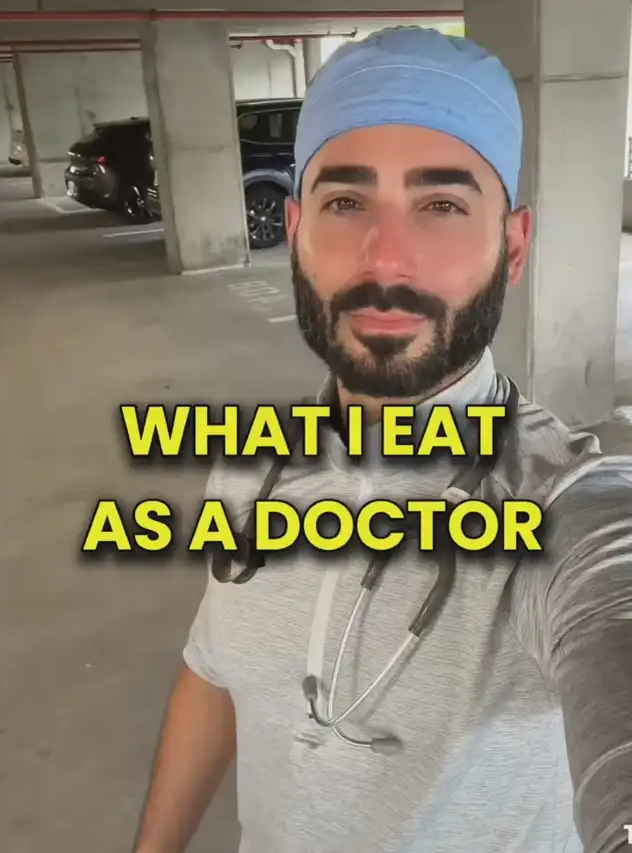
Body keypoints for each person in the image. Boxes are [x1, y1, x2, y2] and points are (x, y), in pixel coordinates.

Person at [131, 26, 632, 853]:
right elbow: (214, 670)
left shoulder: (565, 508)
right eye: (346, 202)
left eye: (441, 206)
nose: (387, 258)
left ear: (511, 246)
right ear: (296, 229)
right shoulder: (252, 469)